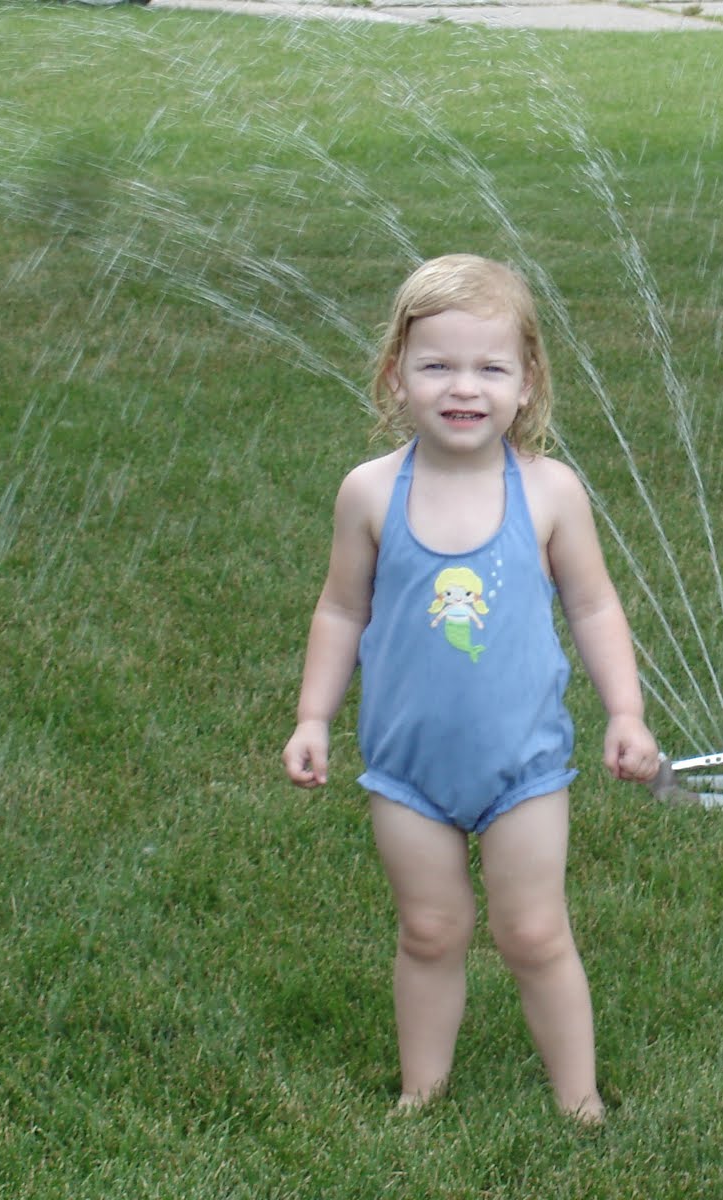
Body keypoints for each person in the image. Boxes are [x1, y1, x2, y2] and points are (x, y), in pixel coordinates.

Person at [281, 254, 660, 1124]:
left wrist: (626, 711)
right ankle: (422, 1092)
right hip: (407, 770)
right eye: (436, 365)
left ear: (528, 383)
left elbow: (594, 605)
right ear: (396, 375)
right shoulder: (371, 493)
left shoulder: (550, 492)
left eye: (490, 367)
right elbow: (340, 609)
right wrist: (313, 717)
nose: (464, 387)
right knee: (430, 930)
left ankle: (580, 1099)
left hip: (524, 769)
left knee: (534, 932)